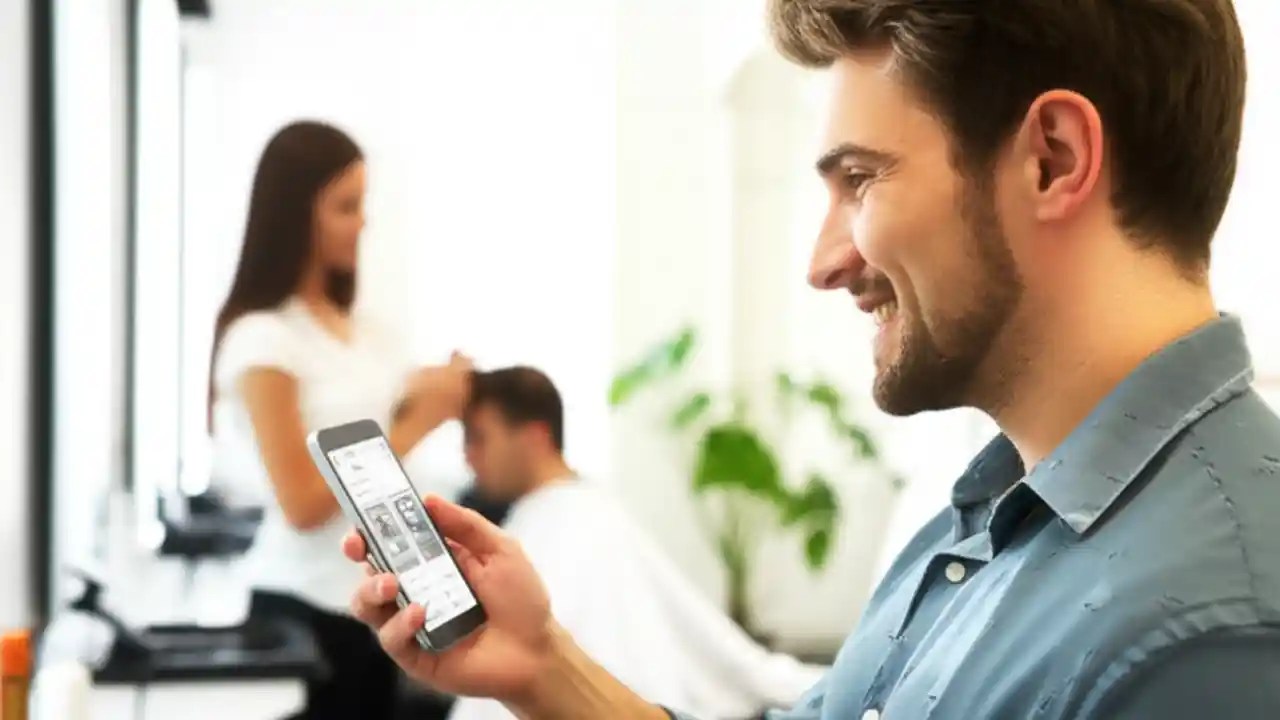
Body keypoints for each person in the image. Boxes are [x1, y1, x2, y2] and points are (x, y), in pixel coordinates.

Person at [345, 0, 1280, 717]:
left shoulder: (1208, 640)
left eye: (863, 178)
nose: (824, 262)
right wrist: (546, 668)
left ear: (1052, 158)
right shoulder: (991, 524)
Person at [208, 120, 472, 719]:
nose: (362, 223)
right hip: (302, 610)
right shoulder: (263, 341)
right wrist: (416, 425)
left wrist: (436, 390)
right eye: (346, 206)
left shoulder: (363, 332)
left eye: (362, 204)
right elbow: (301, 504)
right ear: (297, 214)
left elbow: (380, 412)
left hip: (375, 604)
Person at [445, 366, 823, 719]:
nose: (467, 456)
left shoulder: (579, 520)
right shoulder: (545, 515)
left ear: (535, 437)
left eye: (478, 438)